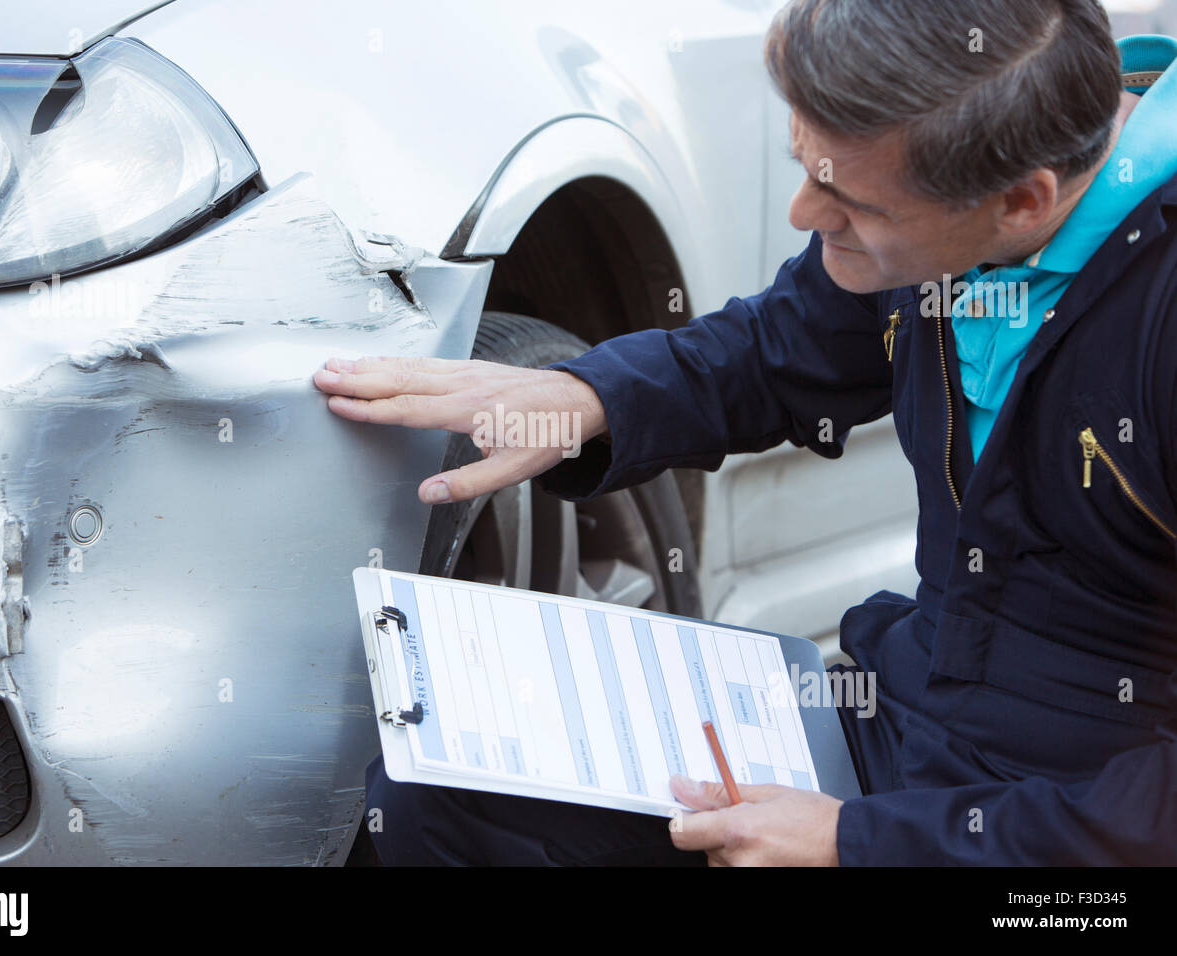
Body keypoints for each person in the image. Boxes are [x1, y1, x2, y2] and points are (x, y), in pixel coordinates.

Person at [313, 0, 1177, 865]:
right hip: (908, 727)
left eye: (846, 199)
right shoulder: (953, 206)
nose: (804, 213)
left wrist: (861, 843)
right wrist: (583, 397)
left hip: (1075, 840)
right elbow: (785, 348)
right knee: (446, 786)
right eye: (805, 168)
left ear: (1022, 202)